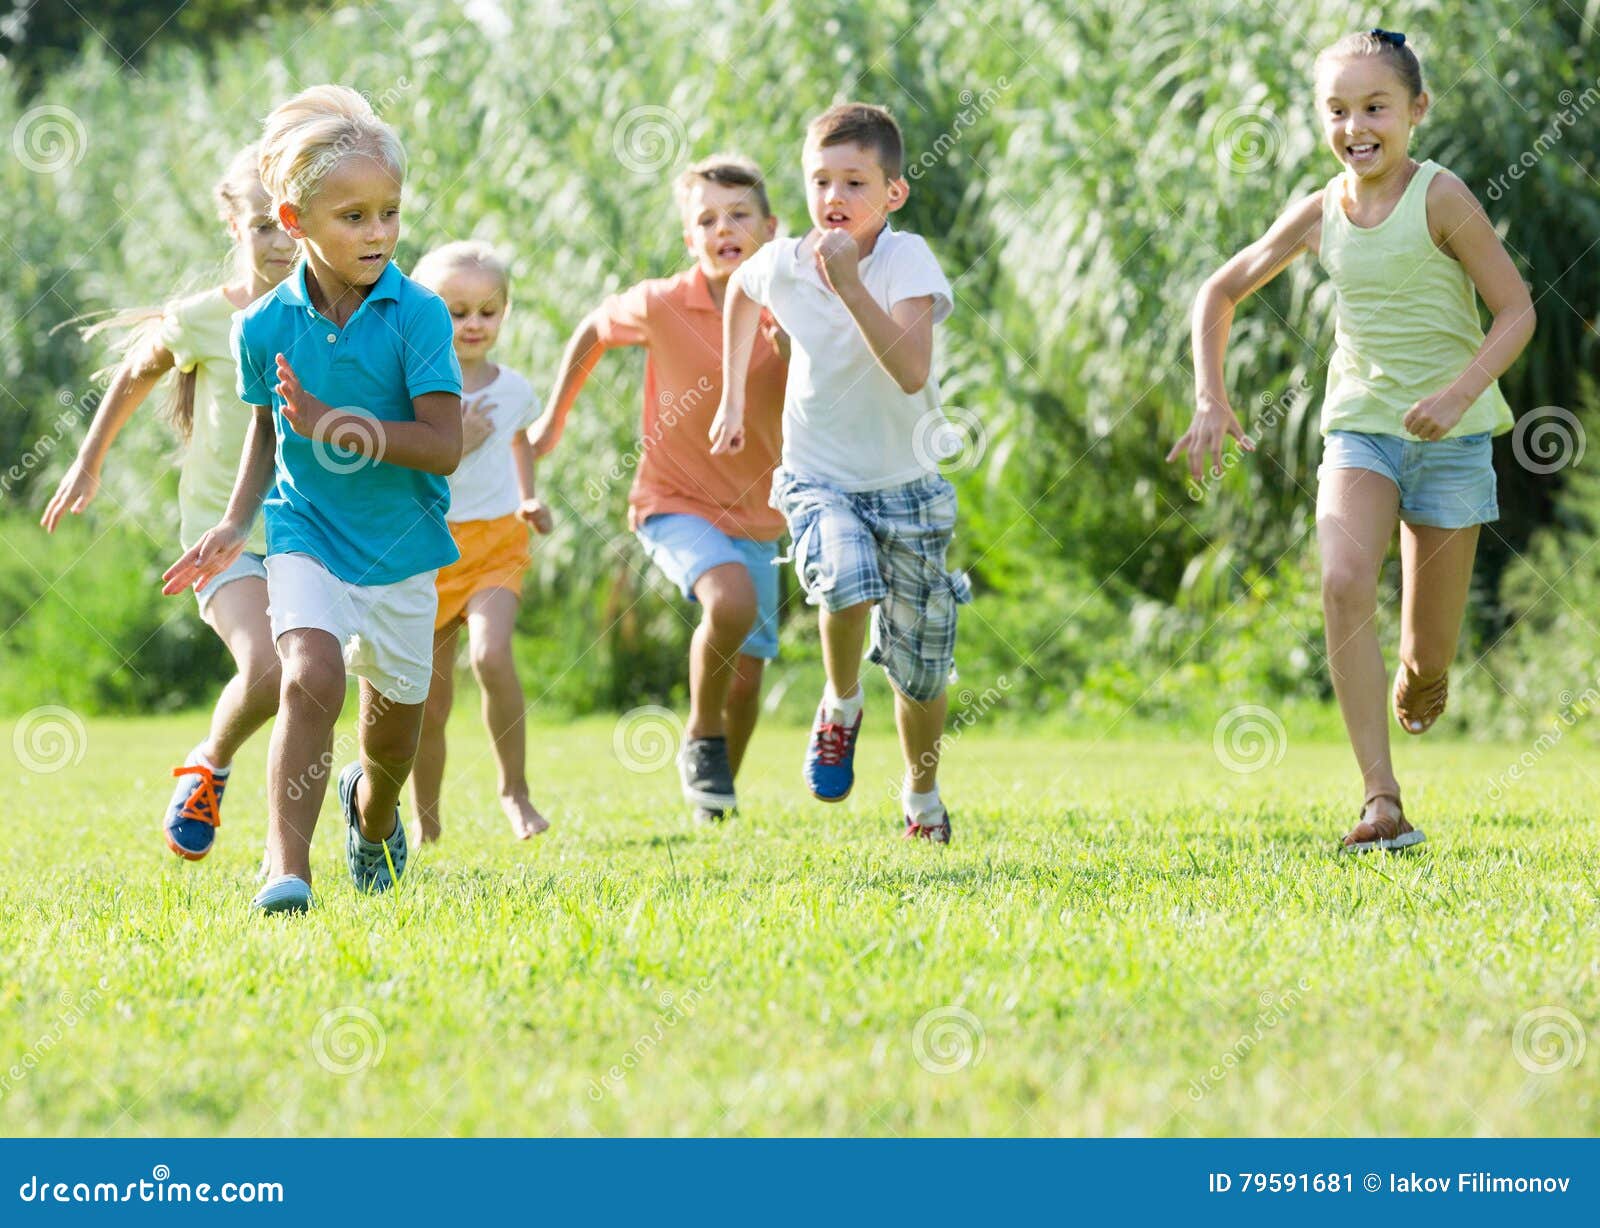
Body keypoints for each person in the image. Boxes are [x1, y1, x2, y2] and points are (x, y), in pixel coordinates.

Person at [1168, 29, 1534, 851]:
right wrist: (1210, 396)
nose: (1355, 126)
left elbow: (1518, 311)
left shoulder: (1441, 198)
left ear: (1416, 111)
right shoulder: (1319, 209)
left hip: (1453, 436)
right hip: (1361, 428)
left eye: (1375, 107)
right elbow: (1220, 291)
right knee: (1340, 579)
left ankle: (1420, 674)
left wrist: (1458, 393)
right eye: (1337, 110)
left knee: (1428, 657)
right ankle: (1381, 799)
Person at [163, 85, 464, 912]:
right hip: (303, 531)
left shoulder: (420, 314)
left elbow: (445, 445)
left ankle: (372, 818)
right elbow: (268, 435)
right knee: (309, 674)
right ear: (293, 222)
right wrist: (233, 521)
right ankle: (284, 869)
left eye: (389, 213)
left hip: (402, 547)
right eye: (354, 217)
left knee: (392, 736)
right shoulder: (260, 326)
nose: (378, 234)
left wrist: (343, 425)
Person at [713, 103, 970, 844]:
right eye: (820, 180)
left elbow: (911, 368)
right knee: (845, 576)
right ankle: (841, 701)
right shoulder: (785, 261)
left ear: (893, 193)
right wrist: (732, 396)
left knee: (922, 671)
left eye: (855, 182)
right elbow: (739, 291)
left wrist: (851, 285)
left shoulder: (905, 260)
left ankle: (921, 795)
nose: (834, 197)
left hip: (909, 487)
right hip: (818, 476)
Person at [41, 143, 297, 862]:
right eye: (262, 225)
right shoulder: (203, 319)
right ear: (233, 226)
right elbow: (134, 370)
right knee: (271, 673)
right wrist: (89, 462)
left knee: (332, 680)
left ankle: (368, 803)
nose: (279, 242)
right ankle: (209, 766)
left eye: (291, 223)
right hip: (223, 538)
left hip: (318, 531)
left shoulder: (337, 309)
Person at [529, 154, 786, 822]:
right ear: (688, 239)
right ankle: (701, 736)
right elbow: (591, 327)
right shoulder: (665, 302)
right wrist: (553, 420)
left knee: (750, 673)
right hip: (672, 500)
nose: (723, 228)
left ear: (772, 228)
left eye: (739, 215)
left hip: (764, 511)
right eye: (706, 219)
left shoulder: (791, 302)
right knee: (726, 600)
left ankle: (716, 795)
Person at [409, 240, 552, 843]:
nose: (472, 324)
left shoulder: (514, 388)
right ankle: (427, 822)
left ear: (504, 312)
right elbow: (405, 461)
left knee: (492, 656)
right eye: (455, 310)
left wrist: (529, 495)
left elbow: (518, 440)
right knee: (428, 701)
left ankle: (515, 794)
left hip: (496, 539)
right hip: (426, 548)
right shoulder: (412, 387)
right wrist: (455, 439)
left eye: (486, 311)